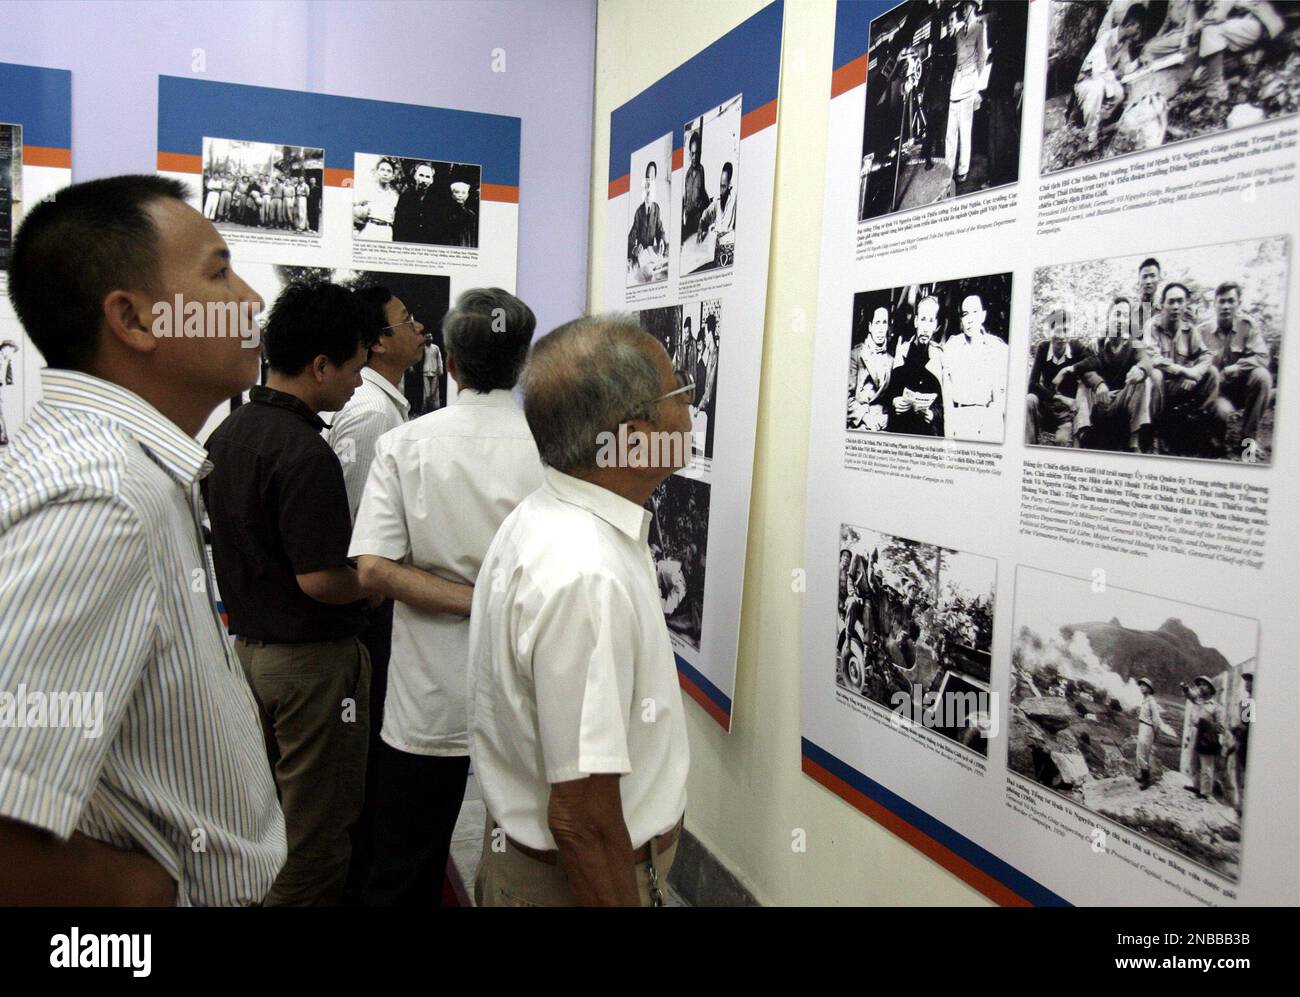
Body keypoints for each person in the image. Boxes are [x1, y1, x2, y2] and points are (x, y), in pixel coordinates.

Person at [0, 174, 284, 905]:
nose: (252, 302)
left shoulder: (127, 471)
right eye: (220, 272)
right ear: (133, 318)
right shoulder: (104, 498)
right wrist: (135, 895)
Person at [468, 315, 692, 906]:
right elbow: (583, 820)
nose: (690, 402)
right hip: (574, 885)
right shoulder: (586, 572)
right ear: (637, 434)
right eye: (679, 391)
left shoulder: (556, 519)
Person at [352, 289, 543, 907]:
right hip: (529, 682)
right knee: (532, 857)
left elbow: (374, 570)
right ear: (522, 362)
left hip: (428, 691)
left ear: (451, 362)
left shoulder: (407, 445)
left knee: (406, 859)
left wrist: (465, 600)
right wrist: (490, 600)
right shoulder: (552, 450)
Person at [204, 280, 377, 906]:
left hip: (249, 656)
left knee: (267, 822)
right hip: (310, 669)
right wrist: (378, 582)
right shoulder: (305, 453)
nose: (360, 383)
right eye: (356, 368)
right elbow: (320, 580)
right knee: (316, 839)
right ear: (320, 365)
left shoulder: (229, 434)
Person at [1200, 281, 1272, 459]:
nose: (1225, 306)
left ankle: (1249, 441)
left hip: (1242, 389)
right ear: (1214, 303)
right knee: (1221, 415)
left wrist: (1238, 367)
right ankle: (1215, 439)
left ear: (1239, 303)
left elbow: (1263, 357)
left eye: (1230, 301)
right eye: (1221, 301)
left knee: (1262, 377)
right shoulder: (1202, 331)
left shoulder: (1247, 326)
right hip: (1217, 393)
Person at [1073, 296, 1155, 451]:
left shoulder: (1134, 343)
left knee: (1144, 380)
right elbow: (1085, 369)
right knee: (1083, 384)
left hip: (1121, 399)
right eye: (1117, 314)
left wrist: (1141, 369)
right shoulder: (1096, 343)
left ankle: (1134, 440)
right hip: (1100, 399)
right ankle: (1081, 434)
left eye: (1125, 316)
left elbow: (1146, 360)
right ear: (1108, 317)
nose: (1120, 320)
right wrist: (1099, 384)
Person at [1144, 282, 1220, 437]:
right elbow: (1155, 359)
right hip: (1158, 388)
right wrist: (1187, 371)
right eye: (1171, 301)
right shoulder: (1151, 326)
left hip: (1180, 386)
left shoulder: (1189, 329)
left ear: (1186, 304)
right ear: (1163, 304)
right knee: (1156, 374)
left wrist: (1195, 373)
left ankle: (1203, 427)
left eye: (1180, 301)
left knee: (1212, 373)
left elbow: (1205, 356)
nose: (1176, 306)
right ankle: (1154, 434)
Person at [1074, 4, 1148, 152]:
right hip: (1087, 82)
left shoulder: (1124, 43)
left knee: (1119, 92)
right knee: (1099, 89)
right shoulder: (1106, 38)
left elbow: (1125, 68)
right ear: (1130, 24)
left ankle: (1097, 125)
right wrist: (1114, 79)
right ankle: (1089, 137)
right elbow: (1098, 71)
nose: (1138, 32)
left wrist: (1139, 64)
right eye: (1137, 27)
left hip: (1104, 82)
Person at [1190, 1, 1286, 103]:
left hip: (1258, 23)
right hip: (1236, 33)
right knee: (1199, 79)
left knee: (1210, 30)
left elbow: (1218, 16)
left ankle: (1216, 90)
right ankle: (1235, 78)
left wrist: (1200, 24)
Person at [943, 293, 1007, 441]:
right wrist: (949, 430)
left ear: (983, 316)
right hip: (961, 420)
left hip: (988, 420)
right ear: (961, 319)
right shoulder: (952, 347)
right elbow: (947, 393)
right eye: (965, 314)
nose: (970, 319)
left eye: (975, 312)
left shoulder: (997, 348)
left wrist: (995, 418)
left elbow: (1000, 392)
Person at [1026, 305, 1091, 446]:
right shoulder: (1043, 348)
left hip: (1064, 415)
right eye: (1058, 330)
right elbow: (1032, 384)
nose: (1062, 336)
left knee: (1062, 440)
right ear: (1050, 331)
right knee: (1029, 400)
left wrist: (1067, 370)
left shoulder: (1076, 347)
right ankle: (1029, 445)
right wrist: (1059, 397)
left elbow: (1093, 361)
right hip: (1046, 408)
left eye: (1066, 330)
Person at [884, 295, 945, 435]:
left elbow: (943, 403)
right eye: (923, 319)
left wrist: (933, 414)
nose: (925, 328)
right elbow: (890, 391)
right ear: (916, 321)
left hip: (926, 433)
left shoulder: (940, 357)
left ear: (935, 325)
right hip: (902, 429)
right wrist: (894, 401)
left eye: (930, 321)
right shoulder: (901, 351)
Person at [983, 0, 1027, 187]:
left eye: (988, 16)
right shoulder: (999, 26)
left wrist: (1019, 77)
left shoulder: (1013, 17)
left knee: (1004, 130)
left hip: (1007, 82)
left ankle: (1002, 176)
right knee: (998, 130)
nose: (985, 22)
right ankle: (997, 176)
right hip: (998, 83)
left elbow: (1018, 45)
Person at [945, 0, 989, 184]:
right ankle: (948, 169)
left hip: (969, 83)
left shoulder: (979, 27)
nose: (963, 8)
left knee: (965, 130)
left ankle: (962, 170)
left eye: (966, 5)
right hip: (956, 84)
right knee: (950, 132)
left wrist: (975, 81)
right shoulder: (958, 30)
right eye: (962, 6)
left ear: (973, 6)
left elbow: (983, 55)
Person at [923, 4, 959, 169]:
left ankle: (945, 157)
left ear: (956, 21)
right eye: (948, 21)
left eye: (952, 20)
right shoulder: (942, 43)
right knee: (933, 122)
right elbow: (935, 66)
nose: (950, 23)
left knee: (947, 124)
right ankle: (928, 157)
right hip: (938, 89)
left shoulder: (959, 40)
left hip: (951, 87)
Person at [848, 306, 894, 430]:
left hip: (882, 422)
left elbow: (891, 398)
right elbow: (847, 398)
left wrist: (888, 416)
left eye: (884, 323)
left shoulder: (891, 360)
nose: (880, 329)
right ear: (870, 327)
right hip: (862, 421)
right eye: (877, 323)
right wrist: (865, 417)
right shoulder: (856, 354)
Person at [1182, 676, 1226, 800]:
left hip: (1206, 736)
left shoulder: (1216, 707)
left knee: (1206, 764)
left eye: (1204, 685)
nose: (1201, 687)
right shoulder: (1197, 700)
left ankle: (1205, 792)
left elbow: (1221, 729)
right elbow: (1189, 694)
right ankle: (1196, 786)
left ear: (1211, 690)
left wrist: (1207, 725)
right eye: (1199, 684)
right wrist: (1185, 689)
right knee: (1193, 761)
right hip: (1195, 732)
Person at [627, 160, 667, 277]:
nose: (650, 183)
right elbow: (630, 239)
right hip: (641, 259)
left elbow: (660, 230)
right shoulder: (639, 212)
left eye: (653, 179)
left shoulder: (657, 208)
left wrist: (662, 241)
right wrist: (634, 249)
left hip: (652, 256)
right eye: (648, 179)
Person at [1135, 677, 1175, 790]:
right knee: (1140, 752)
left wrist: (1156, 734)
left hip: (1148, 728)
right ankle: (1142, 776)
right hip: (1143, 726)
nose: (1141, 687)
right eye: (1141, 685)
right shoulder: (1145, 700)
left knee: (1142, 754)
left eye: (1144, 685)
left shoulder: (1151, 701)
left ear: (1149, 688)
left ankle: (1146, 780)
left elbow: (1156, 720)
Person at [393, 162, 442, 245]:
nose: (423, 180)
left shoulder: (437, 201)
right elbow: (398, 226)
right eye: (421, 175)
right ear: (415, 176)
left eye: (427, 177)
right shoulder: (405, 197)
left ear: (431, 180)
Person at [696, 161, 737, 261]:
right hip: (713, 252)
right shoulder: (717, 201)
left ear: (729, 186)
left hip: (729, 252)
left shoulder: (735, 203)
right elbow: (705, 214)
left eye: (723, 187)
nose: (720, 191)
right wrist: (701, 226)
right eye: (720, 186)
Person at [355, 158, 400, 241]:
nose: (385, 173)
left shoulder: (395, 196)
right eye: (382, 170)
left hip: (387, 230)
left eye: (389, 171)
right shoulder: (368, 191)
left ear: (393, 176)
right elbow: (355, 210)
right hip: (370, 228)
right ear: (377, 172)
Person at [681, 130, 709, 241]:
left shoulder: (701, 170)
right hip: (688, 220)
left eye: (696, 153)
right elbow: (685, 198)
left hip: (698, 218)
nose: (694, 157)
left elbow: (703, 192)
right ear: (689, 154)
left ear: (700, 153)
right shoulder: (687, 174)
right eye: (692, 153)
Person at [446, 181, 478, 248]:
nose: (460, 195)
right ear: (452, 194)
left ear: (467, 195)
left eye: (463, 193)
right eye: (457, 192)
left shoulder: (470, 214)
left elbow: (472, 235)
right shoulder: (447, 213)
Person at [1135, 256, 1163, 331]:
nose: (1148, 281)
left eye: (1152, 276)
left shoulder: (1165, 307)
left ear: (1159, 279)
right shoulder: (1130, 307)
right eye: (1144, 277)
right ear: (1139, 280)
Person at [0, 339, 16, 447]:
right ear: (6, 347)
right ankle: (2, 437)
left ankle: (2, 437)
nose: (12, 353)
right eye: (12, 350)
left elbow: (8, 378)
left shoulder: (6, 360)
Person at [422, 337, 445, 412]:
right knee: (427, 393)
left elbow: (439, 359)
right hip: (425, 372)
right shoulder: (423, 348)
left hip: (434, 371)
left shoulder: (435, 347)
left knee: (434, 392)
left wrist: (440, 368)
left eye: (430, 337)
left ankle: (434, 410)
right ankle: (426, 410)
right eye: (428, 337)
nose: (429, 339)